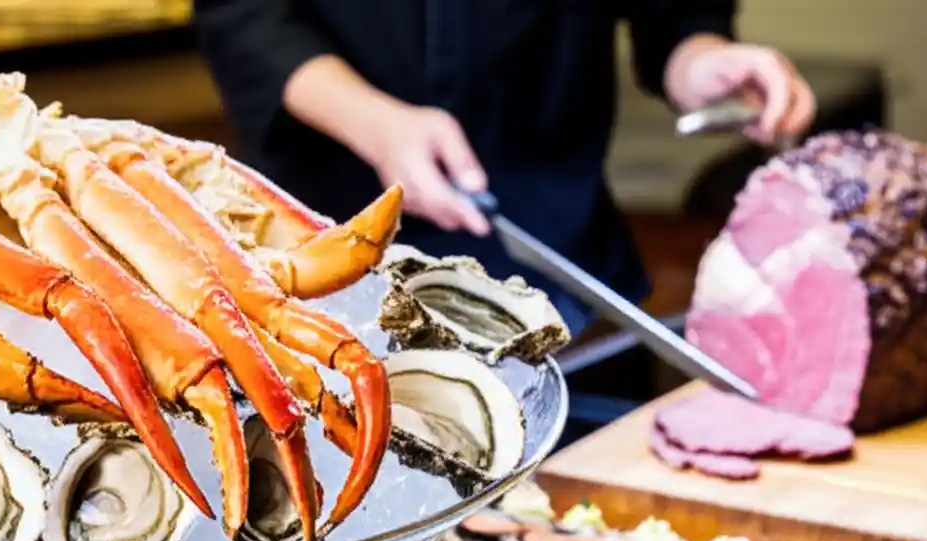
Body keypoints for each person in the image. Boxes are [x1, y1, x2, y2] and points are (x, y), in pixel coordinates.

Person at [193, 0, 816, 333]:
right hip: (327, 262)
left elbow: (673, 16)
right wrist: (373, 123)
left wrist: (700, 58)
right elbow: (243, 15)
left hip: (561, 257)